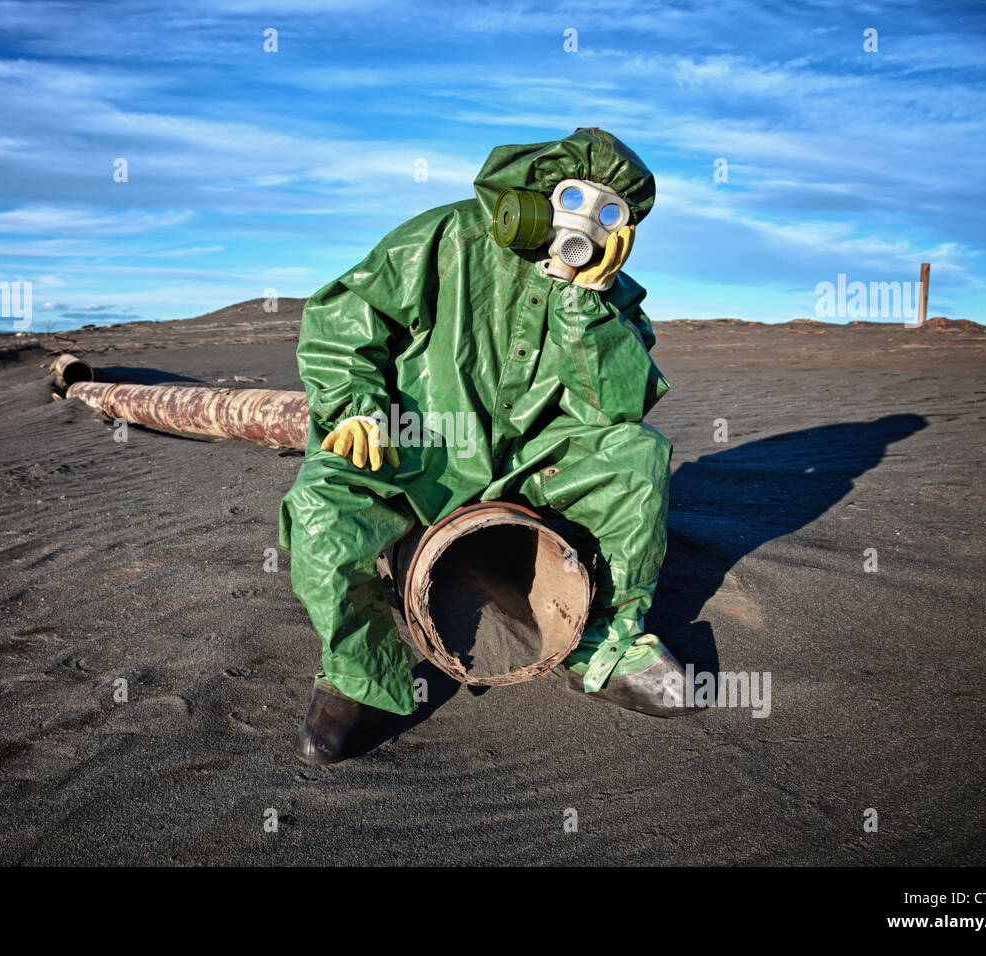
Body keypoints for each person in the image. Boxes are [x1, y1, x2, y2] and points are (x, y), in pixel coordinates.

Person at [278, 128, 695, 766]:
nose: (585, 218)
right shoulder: (446, 238)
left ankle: (603, 645)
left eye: (609, 211)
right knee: (322, 510)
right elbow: (344, 321)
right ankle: (365, 681)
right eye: (574, 195)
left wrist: (586, 304)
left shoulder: (611, 297)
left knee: (635, 458)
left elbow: (620, 404)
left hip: (533, 457)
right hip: (421, 447)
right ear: (532, 188)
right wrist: (356, 409)